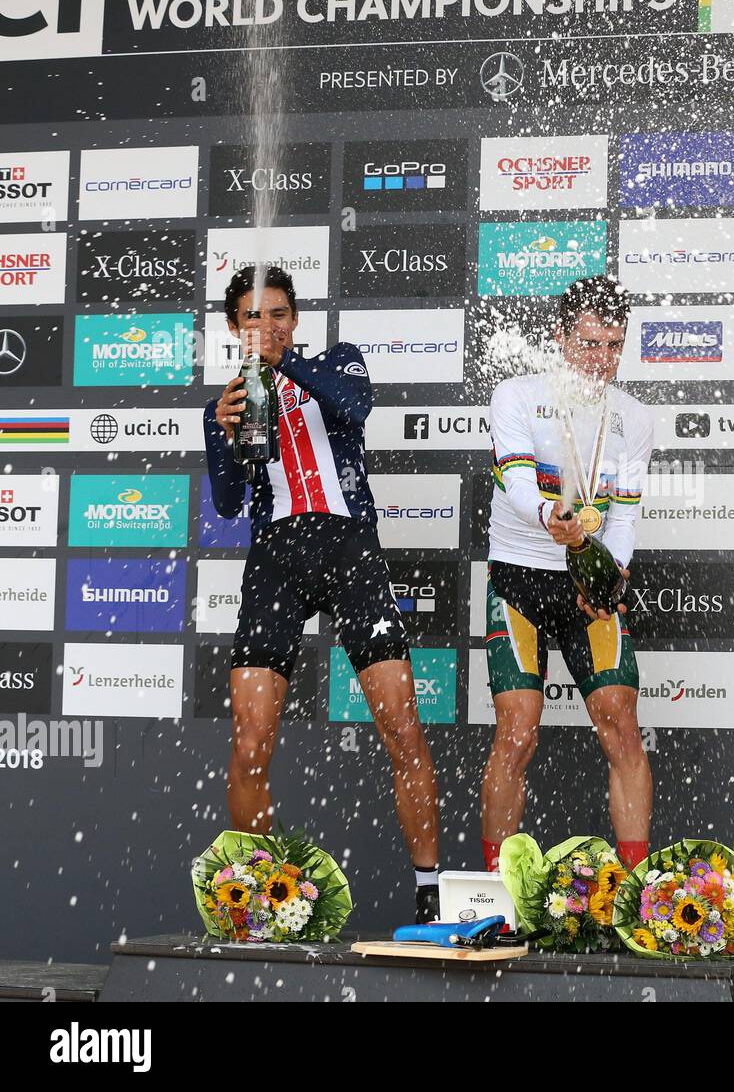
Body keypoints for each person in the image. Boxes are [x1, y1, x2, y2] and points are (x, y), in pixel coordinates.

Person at [204, 265, 443, 923]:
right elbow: (227, 503)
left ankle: (432, 893)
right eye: (254, 317)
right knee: (251, 741)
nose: (267, 326)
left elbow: (355, 408)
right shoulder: (224, 400)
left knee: (403, 730)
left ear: (294, 320)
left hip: (349, 550)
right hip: (274, 559)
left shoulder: (337, 362)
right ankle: (251, 898)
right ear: (233, 328)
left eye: (278, 314)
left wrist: (282, 365)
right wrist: (225, 433)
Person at [480, 276, 655, 875]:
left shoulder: (633, 417)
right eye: (588, 344)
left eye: (613, 345)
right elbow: (517, 480)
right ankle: (498, 894)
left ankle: (634, 892)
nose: (600, 360)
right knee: (518, 734)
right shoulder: (517, 396)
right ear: (559, 337)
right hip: (521, 579)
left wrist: (613, 579)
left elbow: (625, 518)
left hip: (587, 589)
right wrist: (548, 515)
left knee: (622, 728)